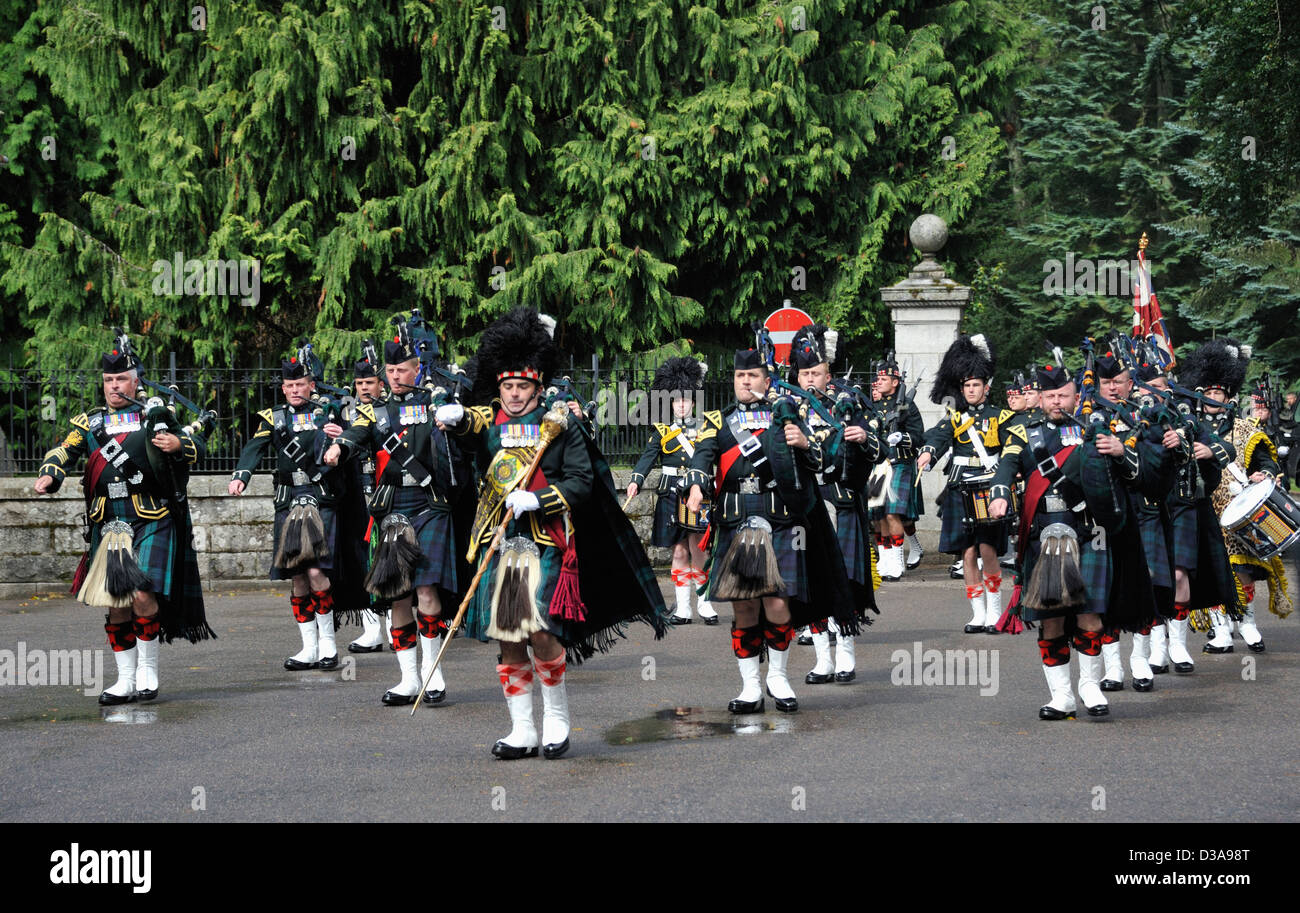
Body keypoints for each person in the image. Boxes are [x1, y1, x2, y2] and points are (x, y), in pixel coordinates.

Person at [438, 307, 667, 759]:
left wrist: (538, 500)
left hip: (547, 541)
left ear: (538, 387)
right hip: (500, 541)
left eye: (523, 386)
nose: (514, 394)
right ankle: (521, 729)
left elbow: (582, 482)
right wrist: (456, 416)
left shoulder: (559, 425)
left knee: (541, 629)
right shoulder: (492, 419)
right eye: (507, 386)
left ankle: (557, 719)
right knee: (508, 634)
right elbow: (473, 424)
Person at [35, 329, 213, 704]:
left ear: (136, 380)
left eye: (121, 379)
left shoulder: (154, 414)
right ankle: (124, 680)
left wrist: (179, 444)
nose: (114, 386)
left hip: (150, 515)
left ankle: (148, 672)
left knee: (143, 592)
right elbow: (63, 450)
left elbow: (195, 446)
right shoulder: (90, 422)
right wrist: (51, 473)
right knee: (116, 600)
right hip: (109, 521)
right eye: (108, 380)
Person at [685, 338, 857, 714]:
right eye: (739, 375)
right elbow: (702, 455)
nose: (745, 381)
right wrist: (697, 483)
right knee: (745, 607)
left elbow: (824, 463)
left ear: (767, 379)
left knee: (779, 603)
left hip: (781, 521)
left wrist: (804, 444)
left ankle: (778, 677)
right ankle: (750, 687)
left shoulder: (789, 413)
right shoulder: (718, 421)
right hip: (736, 521)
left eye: (753, 375)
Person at [989, 362, 1158, 719]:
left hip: (1091, 531)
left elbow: (1138, 476)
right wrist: (999, 493)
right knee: (1051, 620)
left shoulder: (1099, 429)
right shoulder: (1025, 433)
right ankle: (1062, 696)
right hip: (1046, 534)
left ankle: (1090, 686)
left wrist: (1118, 451)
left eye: (1062, 395)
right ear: (1039, 397)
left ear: (1076, 395)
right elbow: (1005, 468)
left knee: (1091, 616)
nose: (1055, 402)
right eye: (1049, 396)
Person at [325, 319, 464, 705]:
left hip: (429, 503)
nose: (396, 376)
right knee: (398, 593)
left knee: (425, 589)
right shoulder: (376, 411)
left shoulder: (434, 402)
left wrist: (449, 414)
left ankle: (432, 674)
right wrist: (341, 449)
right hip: (394, 508)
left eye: (402, 369)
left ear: (417, 368)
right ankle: (408, 679)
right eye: (390, 371)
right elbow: (357, 433)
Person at [229, 341, 367, 672]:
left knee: (318, 571)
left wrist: (341, 437)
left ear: (311, 385)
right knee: (298, 576)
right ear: (283, 387)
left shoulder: (331, 411)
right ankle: (308, 647)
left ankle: (329, 647)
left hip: (322, 498)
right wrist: (241, 476)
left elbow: (359, 434)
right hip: (289, 501)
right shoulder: (273, 417)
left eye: (299, 384)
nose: (294, 390)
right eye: (288, 385)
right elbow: (254, 448)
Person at [788, 323, 881, 683]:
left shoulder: (849, 402)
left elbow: (880, 447)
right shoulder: (787, 406)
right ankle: (821, 659)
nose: (811, 379)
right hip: (807, 505)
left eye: (817, 372)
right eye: (805, 373)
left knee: (843, 579)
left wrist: (864, 437)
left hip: (841, 502)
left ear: (829, 373)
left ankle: (845, 655)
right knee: (811, 580)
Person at [1182, 339, 1288, 653]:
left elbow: (1267, 462)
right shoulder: (1189, 428)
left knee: (1243, 573)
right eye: (1208, 393)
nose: (1213, 398)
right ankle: (1220, 632)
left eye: (1218, 393)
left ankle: (1247, 623)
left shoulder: (1247, 429)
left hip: (1240, 515)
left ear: (1228, 397)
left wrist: (1264, 473)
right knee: (1213, 574)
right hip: (1204, 511)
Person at [917, 335, 1017, 635]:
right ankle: (978, 613)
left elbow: (1014, 446)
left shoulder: (1001, 416)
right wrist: (928, 452)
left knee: (988, 549)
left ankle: (996, 610)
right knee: (968, 552)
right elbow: (938, 436)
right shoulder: (955, 418)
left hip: (989, 489)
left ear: (987, 387)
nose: (971, 390)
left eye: (976, 385)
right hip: (961, 488)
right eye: (966, 386)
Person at [626, 357, 719, 625]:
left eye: (685, 400)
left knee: (698, 550)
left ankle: (705, 604)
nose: (680, 404)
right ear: (671, 402)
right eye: (676, 400)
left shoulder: (705, 428)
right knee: (678, 552)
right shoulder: (662, 431)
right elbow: (647, 457)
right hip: (669, 495)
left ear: (693, 402)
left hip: (696, 493)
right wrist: (636, 479)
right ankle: (682, 609)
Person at [344, 341, 390, 655]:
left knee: (395, 555)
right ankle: (372, 630)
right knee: (364, 556)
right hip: (358, 491)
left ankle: (420, 620)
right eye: (359, 383)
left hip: (391, 489)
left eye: (369, 382)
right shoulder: (345, 410)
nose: (363, 388)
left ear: (380, 384)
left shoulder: (392, 409)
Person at [869, 354, 925, 577]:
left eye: (884, 379)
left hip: (900, 462)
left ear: (895, 382)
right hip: (879, 464)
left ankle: (897, 562)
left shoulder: (907, 405)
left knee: (893, 514)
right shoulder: (873, 405)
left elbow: (919, 437)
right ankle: (885, 560)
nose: (879, 382)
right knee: (878, 514)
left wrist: (902, 437)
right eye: (878, 379)